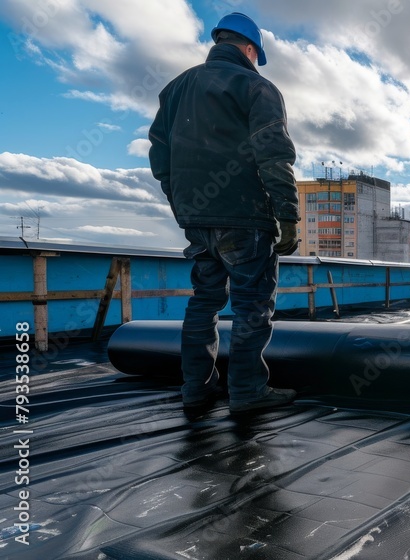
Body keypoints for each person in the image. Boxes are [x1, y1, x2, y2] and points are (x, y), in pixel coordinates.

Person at [149, 12, 300, 414]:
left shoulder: (176, 88)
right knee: (252, 307)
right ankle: (248, 392)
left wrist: (181, 204)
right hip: (246, 219)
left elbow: (160, 158)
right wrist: (287, 217)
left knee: (204, 303)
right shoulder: (256, 86)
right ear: (251, 49)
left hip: (196, 221)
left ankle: (196, 390)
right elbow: (273, 156)